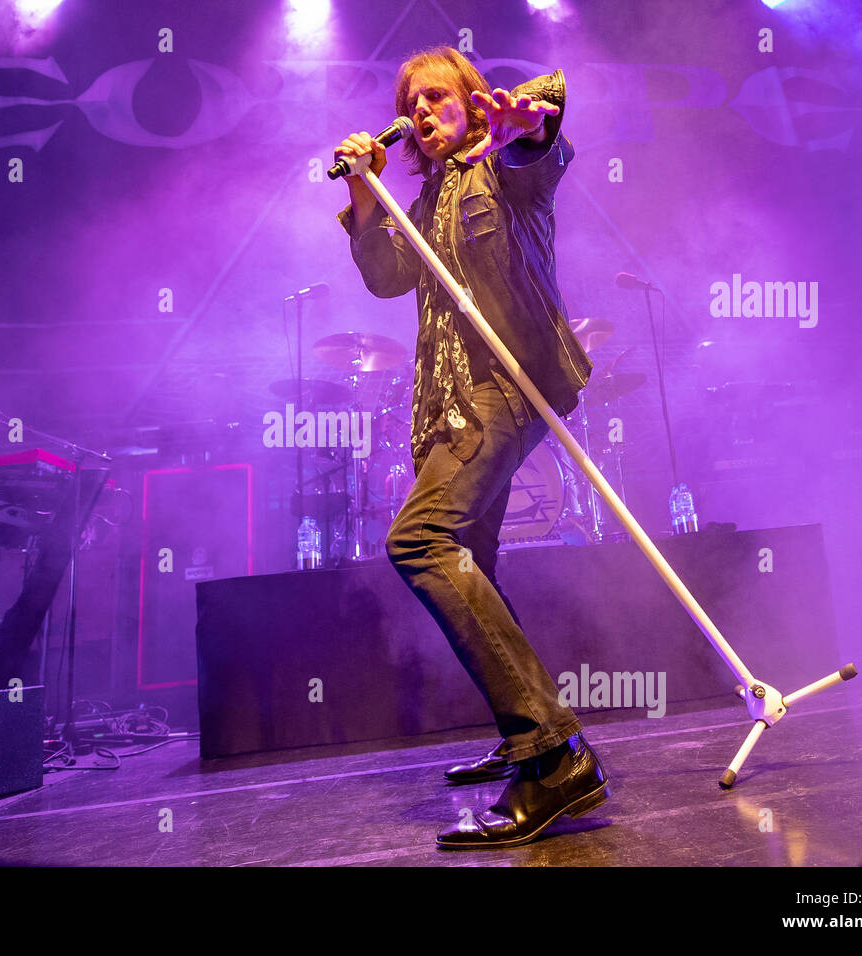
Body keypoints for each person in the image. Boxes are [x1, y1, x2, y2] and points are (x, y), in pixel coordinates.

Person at [334, 47, 609, 848]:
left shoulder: (501, 170)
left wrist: (530, 126)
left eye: (436, 96)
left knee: (419, 540)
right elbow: (387, 277)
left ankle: (554, 754)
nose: (421, 110)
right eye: (410, 103)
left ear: (469, 102)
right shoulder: (422, 201)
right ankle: (528, 732)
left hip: (507, 384)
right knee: (469, 566)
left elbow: (541, 139)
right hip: (446, 408)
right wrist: (363, 184)